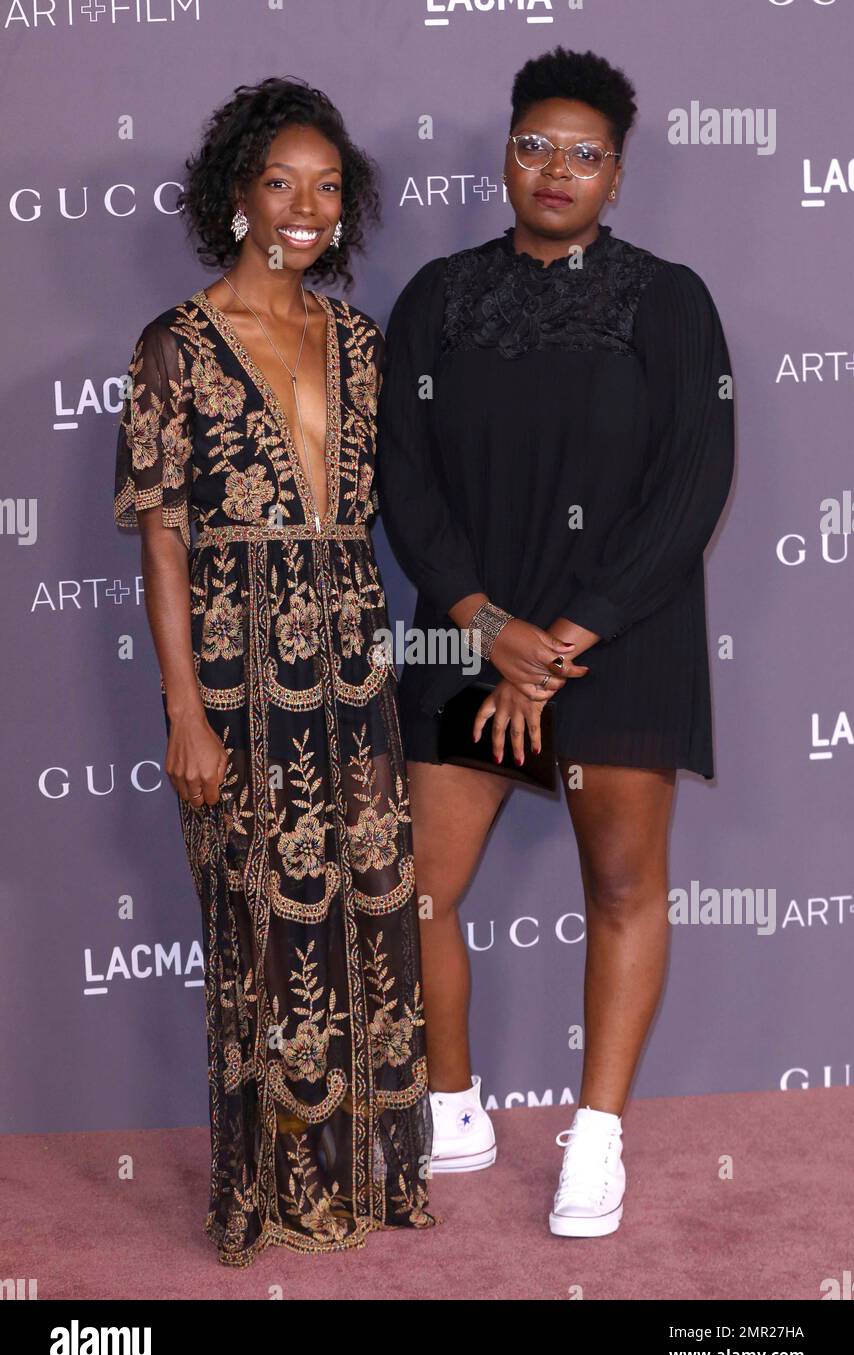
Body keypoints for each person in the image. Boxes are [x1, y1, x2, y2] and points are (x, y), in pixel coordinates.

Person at [375, 47, 734, 1237]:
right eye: (536, 145)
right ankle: (451, 1103)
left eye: (584, 155)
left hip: (619, 635)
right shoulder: (432, 297)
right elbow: (402, 480)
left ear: (615, 179)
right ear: (506, 154)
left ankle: (595, 1136)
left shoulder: (669, 299)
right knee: (416, 887)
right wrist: (484, 623)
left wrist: (563, 638)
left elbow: (692, 484)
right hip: (461, 630)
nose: (555, 169)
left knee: (622, 886)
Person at [113, 77, 433, 1266]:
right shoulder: (174, 348)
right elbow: (161, 537)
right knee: (262, 930)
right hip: (236, 677)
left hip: (350, 663)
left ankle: (364, 1182)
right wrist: (182, 713)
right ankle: (267, 1191)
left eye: (326, 186)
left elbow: (412, 502)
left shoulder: (356, 339)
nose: (303, 208)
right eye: (279, 184)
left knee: (364, 918)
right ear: (236, 197)